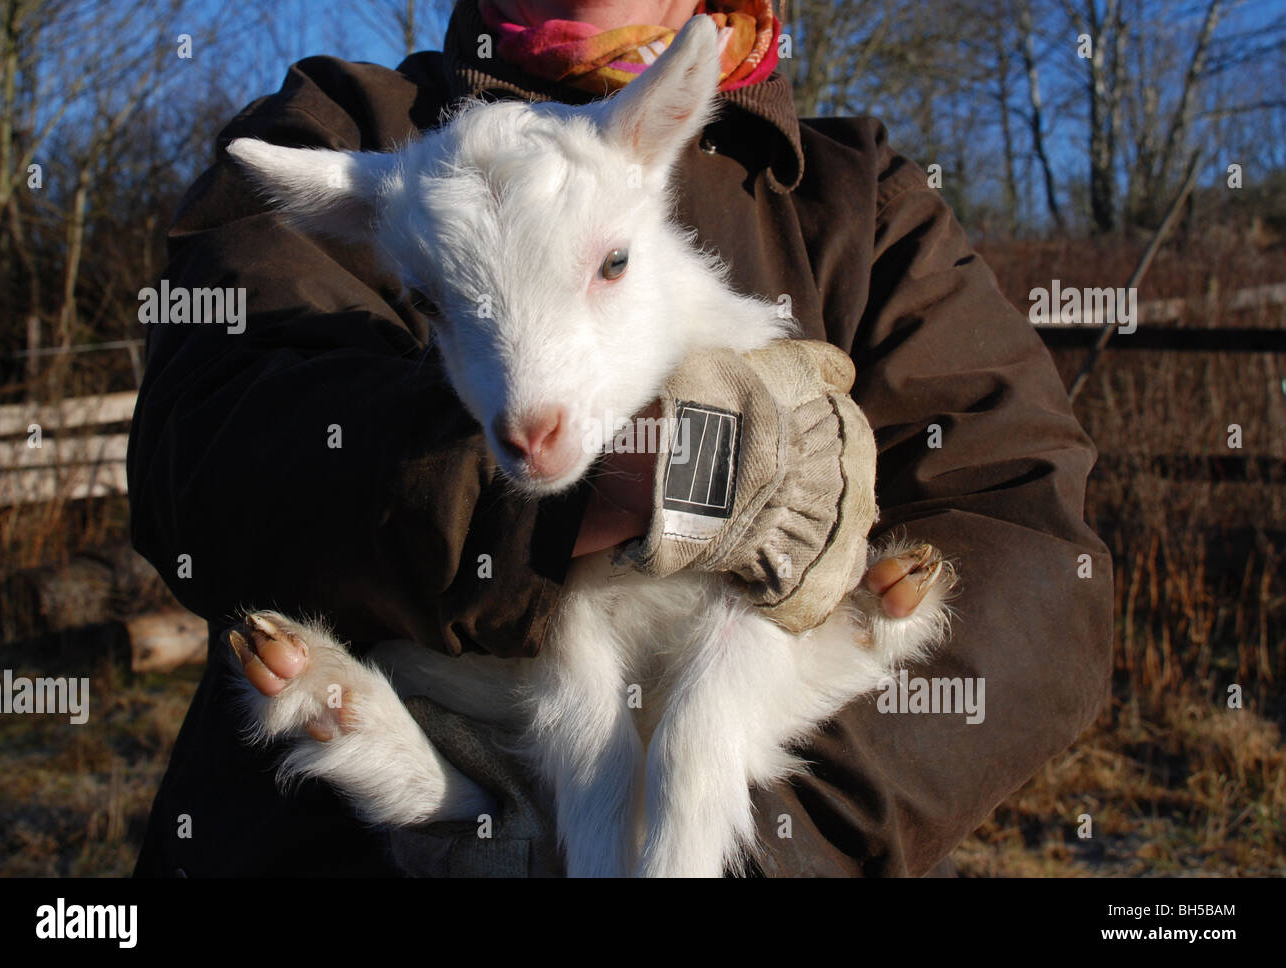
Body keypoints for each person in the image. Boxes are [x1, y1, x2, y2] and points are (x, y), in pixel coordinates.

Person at [129, 0, 1113, 877]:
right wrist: (645, 484)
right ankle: (439, 795)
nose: (524, 405)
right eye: (438, 309)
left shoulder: (856, 201)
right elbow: (207, 455)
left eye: (604, 268)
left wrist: (751, 841)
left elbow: (1028, 540)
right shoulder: (346, 120)